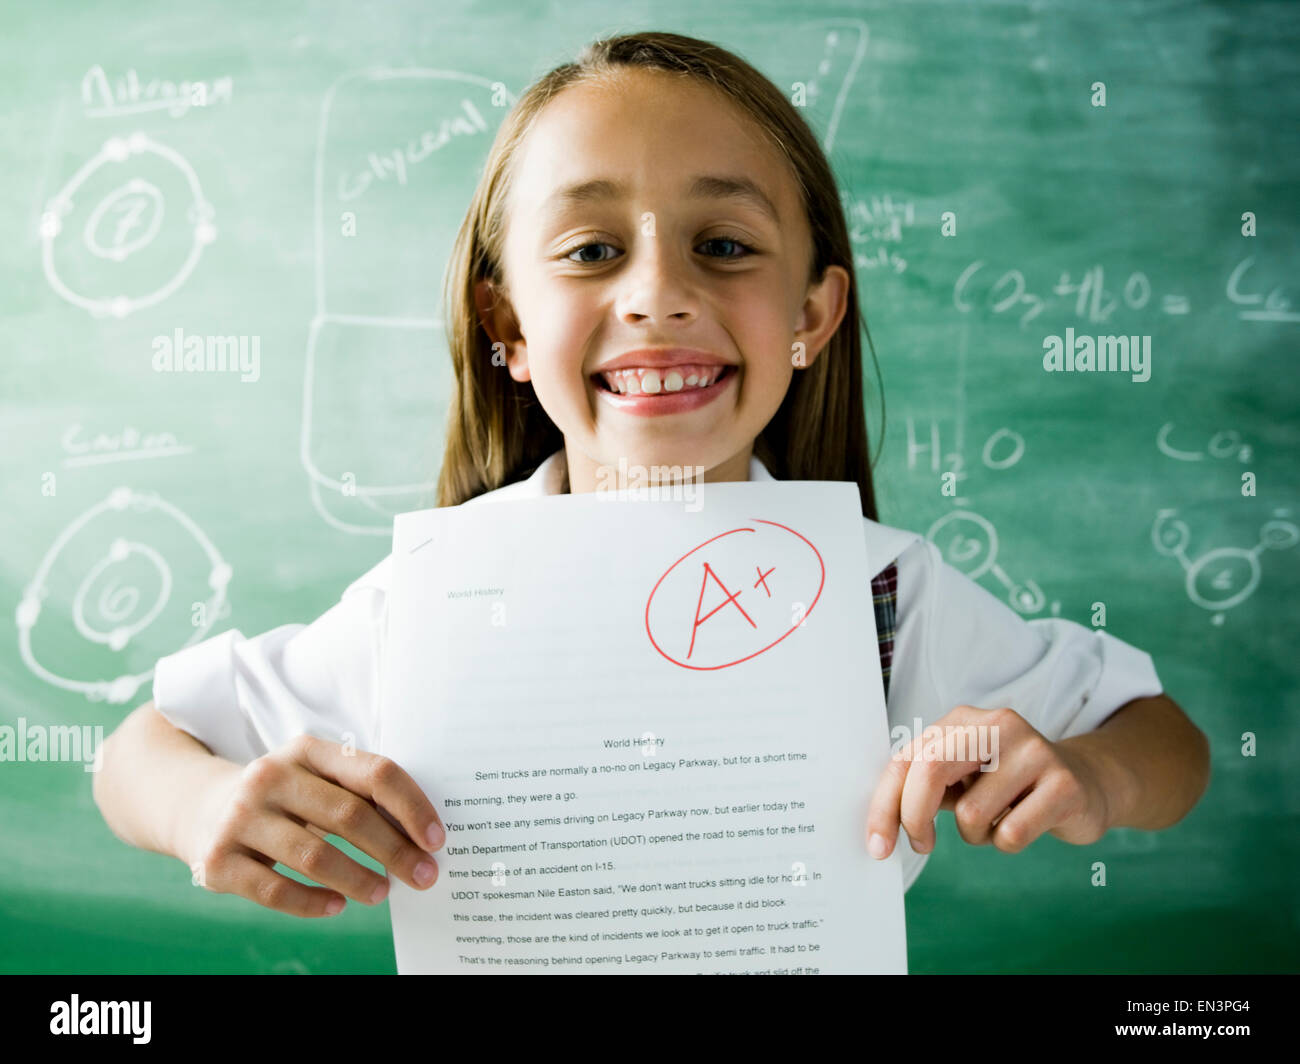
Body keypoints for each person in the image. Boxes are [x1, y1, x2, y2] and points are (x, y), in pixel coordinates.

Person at [94, 30, 1209, 925]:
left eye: (723, 245)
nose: (656, 295)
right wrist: (202, 808)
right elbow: (139, 750)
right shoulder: (434, 599)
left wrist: (1088, 775)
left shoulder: (884, 595)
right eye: (588, 252)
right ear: (508, 326)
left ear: (814, 315)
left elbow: (1160, 735)